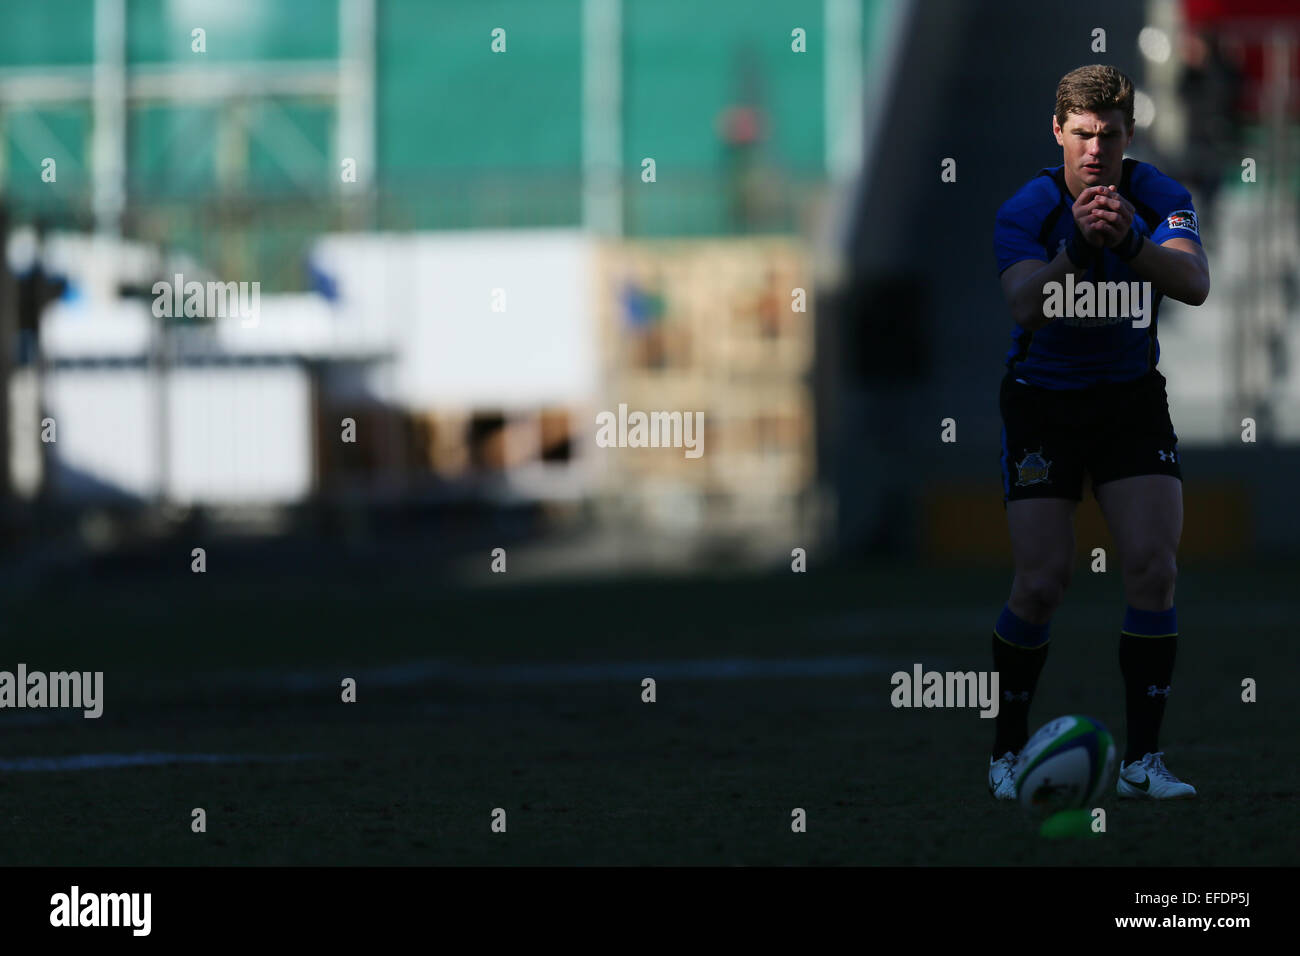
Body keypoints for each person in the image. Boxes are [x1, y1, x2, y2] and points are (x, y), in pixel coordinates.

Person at [988, 64, 1209, 800]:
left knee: (1153, 568)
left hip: (1128, 401)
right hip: (1043, 404)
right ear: (1057, 131)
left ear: (1129, 135)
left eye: (1109, 135)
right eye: (1081, 134)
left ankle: (1144, 763)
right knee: (1041, 584)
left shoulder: (1160, 197)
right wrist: (1080, 251)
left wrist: (1132, 242)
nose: (1095, 149)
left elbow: (1194, 284)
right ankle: (1006, 752)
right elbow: (1025, 305)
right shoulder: (1026, 209)